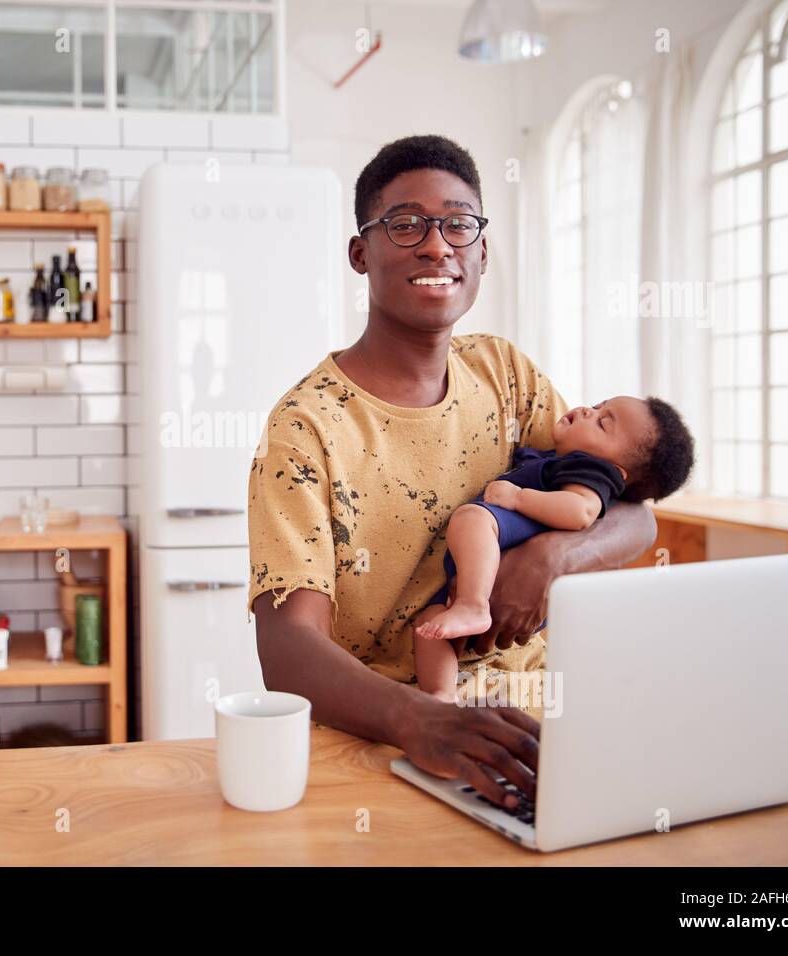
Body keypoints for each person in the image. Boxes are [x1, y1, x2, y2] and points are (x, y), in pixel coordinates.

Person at [246, 134, 657, 811]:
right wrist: (420, 720)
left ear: (483, 251)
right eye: (406, 224)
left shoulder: (505, 374)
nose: (438, 246)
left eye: (459, 224)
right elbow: (287, 648)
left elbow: (636, 513)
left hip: (550, 720)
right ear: (361, 253)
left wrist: (552, 555)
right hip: (401, 739)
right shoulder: (306, 426)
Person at [412, 395, 695, 701]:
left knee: (472, 517)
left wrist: (518, 498)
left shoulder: (590, 469)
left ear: (617, 471)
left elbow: (580, 511)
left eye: (602, 423)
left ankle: (472, 604)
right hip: (484, 562)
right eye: (598, 406)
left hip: (514, 540)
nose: (589, 411)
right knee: (428, 622)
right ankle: (440, 694)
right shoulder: (555, 457)